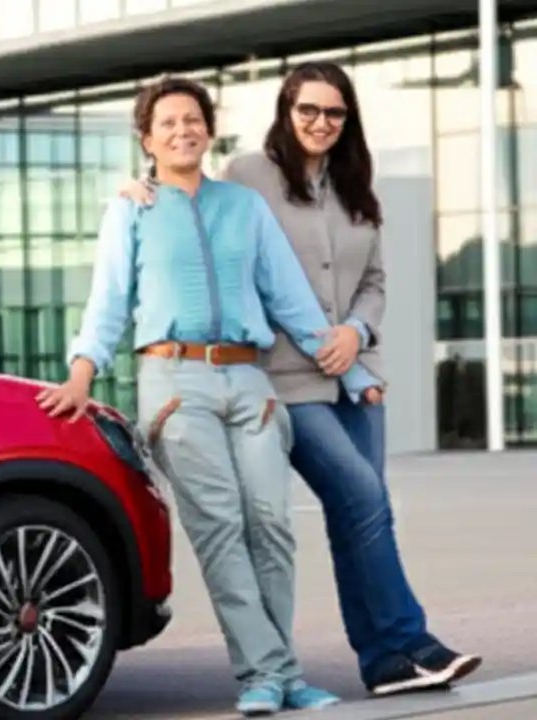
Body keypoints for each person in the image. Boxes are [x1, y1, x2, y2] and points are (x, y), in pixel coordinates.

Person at [114, 61, 482, 697]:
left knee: (363, 514)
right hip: (286, 379)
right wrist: (138, 187)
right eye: (307, 110)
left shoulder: (358, 185)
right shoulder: (250, 175)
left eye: (334, 113)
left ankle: (385, 664)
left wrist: (356, 337)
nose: (320, 123)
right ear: (286, 113)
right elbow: (210, 237)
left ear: (348, 120)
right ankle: (411, 639)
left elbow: (375, 284)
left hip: (354, 377)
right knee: (361, 499)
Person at [36, 76, 380, 716]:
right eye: (167, 123)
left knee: (271, 528)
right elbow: (108, 300)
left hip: (252, 383)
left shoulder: (244, 206)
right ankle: (265, 675)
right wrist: (82, 371)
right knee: (221, 530)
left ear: (209, 129)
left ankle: (282, 675)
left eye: (192, 119)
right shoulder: (131, 209)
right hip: (175, 384)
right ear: (147, 138)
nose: (182, 131)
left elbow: (291, 300)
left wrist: (354, 372)